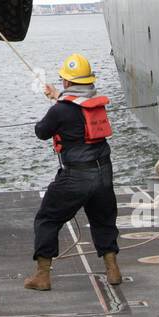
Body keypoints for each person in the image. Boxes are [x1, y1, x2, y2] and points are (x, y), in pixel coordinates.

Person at [24, 52, 122, 292]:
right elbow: (77, 110)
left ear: (67, 82)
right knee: (103, 220)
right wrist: (59, 97)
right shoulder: (96, 105)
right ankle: (113, 270)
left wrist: (57, 101)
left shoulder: (60, 110)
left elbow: (42, 131)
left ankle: (42, 275)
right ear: (89, 81)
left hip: (76, 176)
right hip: (103, 173)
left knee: (47, 219)